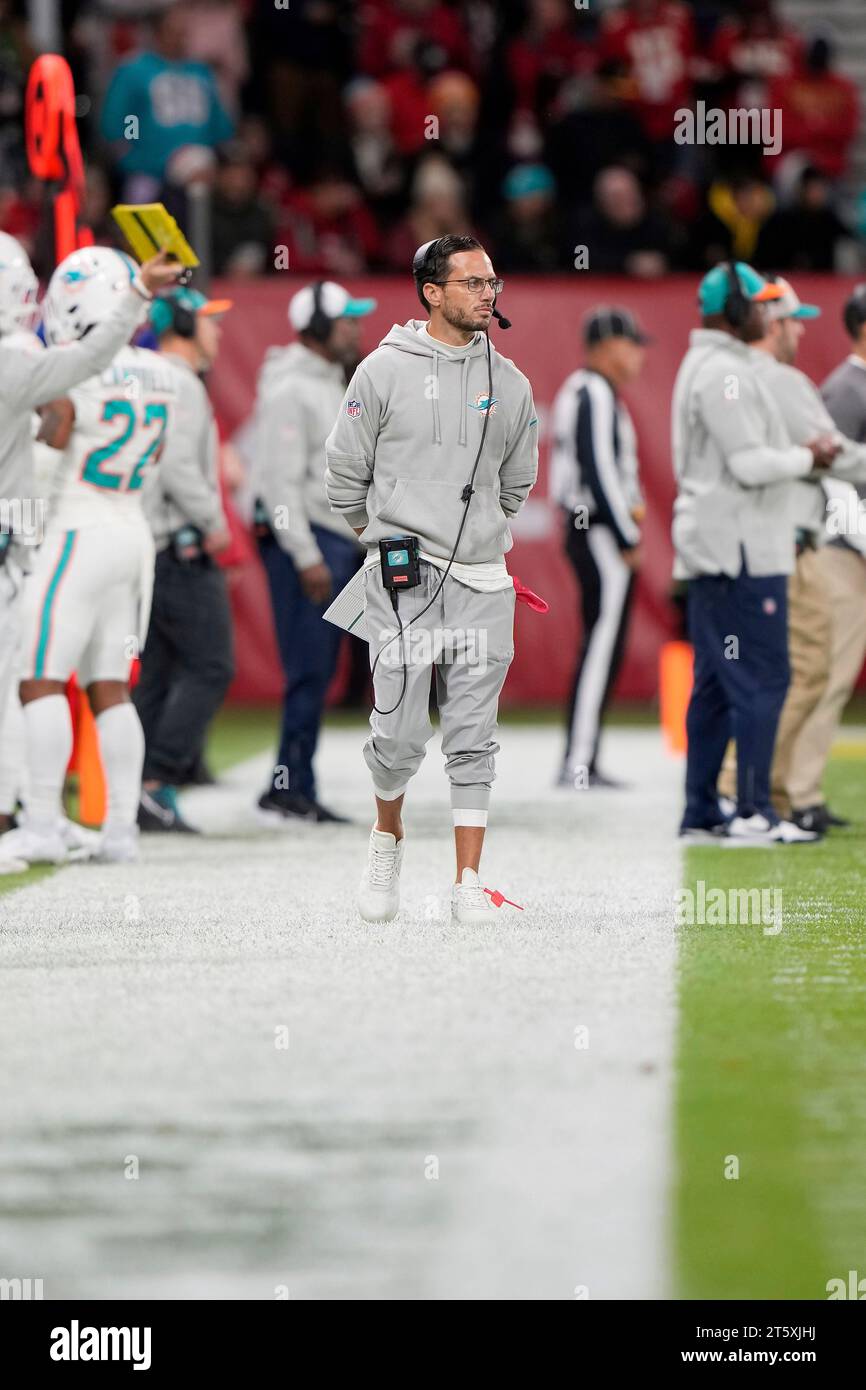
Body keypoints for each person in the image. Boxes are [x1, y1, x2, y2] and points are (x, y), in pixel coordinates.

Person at [325, 233, 538, 924]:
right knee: (398, 735)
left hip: (483, 581)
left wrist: (474, 541)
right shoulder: (381, 372)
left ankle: (467, 881)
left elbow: (516, 485)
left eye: (492, 282)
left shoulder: (511, 382)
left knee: (475, 735)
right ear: (432, 292)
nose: (487, 294)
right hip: (402, 585)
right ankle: (387, 835)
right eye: (472, 282)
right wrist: (386, 539)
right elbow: (345, 479)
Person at [0, 246, 184, 870]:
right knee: (110, 689)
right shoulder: (162, 372)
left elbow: (49, 449)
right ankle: (119, 833)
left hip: (75, 528)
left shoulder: (73, 373)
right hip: (133, 532)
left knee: (39, 679)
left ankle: (45, 824)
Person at [671, 261, 838, 846]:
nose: (770, 315)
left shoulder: (720, 366)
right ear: (738, 309)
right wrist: (806, 457)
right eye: (762, 303)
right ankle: (753, 811)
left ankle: (701, 810)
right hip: (739, 551)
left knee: (718, 684)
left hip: (724, 548)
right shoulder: (723, 372)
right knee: (764, 678)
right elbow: (746, 465)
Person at [715, 277, 866, 827]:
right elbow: (835, 468)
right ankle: (748, 790)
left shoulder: (744, 376)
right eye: (792, 320)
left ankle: (770, 791)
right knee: (800, 671)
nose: (801, 329)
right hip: (813, 546)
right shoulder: (814, 385)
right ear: (770, 323)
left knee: (792, 672)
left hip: (784, 542)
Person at [250, 280, 375, 824]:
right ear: (319, 327)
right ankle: (288, 786)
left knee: (322, 670)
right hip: (310, 545)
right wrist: (304, 555)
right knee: (308, 668)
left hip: (335, 544)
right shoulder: (291, 389)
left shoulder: (329, 380)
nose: (355, 328)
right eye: (346, 319)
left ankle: (295, 781)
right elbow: (277, 485)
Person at [133, 286, 234, 834]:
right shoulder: (181, 382)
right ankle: (157, 781)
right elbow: (177, 467)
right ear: (187, 324)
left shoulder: (146, 373)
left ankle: (136, 787)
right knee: (212, 665)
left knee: (155, 674)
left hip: (144, 544)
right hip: (177, 544)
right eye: (210, 321)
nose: (217, 332)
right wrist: (215, 524)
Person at [549, 307, 648, 789]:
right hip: (599, 533)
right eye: (631, 343)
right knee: (600, 646)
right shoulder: (593, 391)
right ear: (606, 345)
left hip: (596, 530)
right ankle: (579, 763)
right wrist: (627, 535)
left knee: (601, 645)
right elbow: (599, 468)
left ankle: (583, 757)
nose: (638, 355)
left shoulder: (594, 392)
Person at [785, 287, 866, 830]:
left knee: (831, 674)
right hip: (839, 549)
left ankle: (801, 790)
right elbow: (827, 473)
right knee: (824, 672)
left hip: (847, 547)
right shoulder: (848, 390)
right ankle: (794, 793)